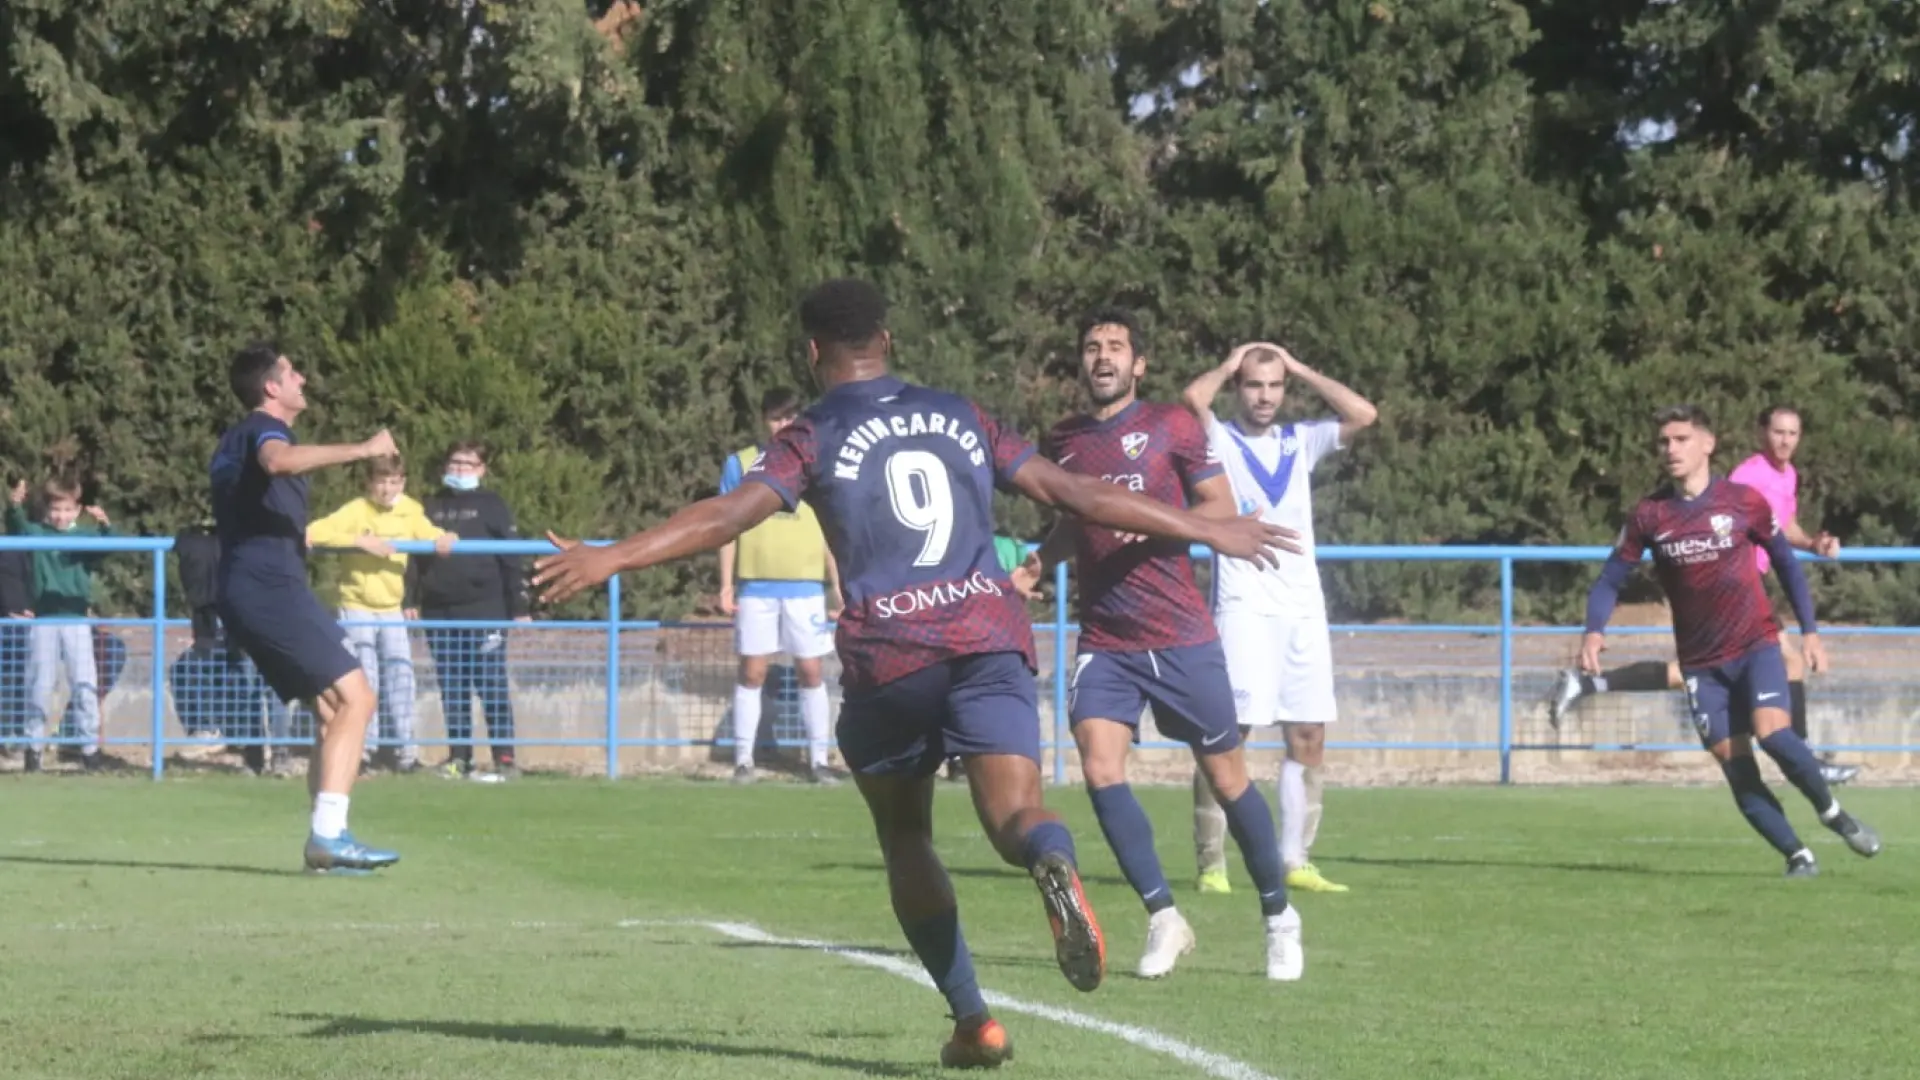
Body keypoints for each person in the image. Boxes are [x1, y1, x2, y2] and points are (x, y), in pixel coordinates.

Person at [533, 279, 1301, 1068]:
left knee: (905, 835)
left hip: (891, 655)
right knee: (1015, 815)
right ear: (887, 341)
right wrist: (1211, 529)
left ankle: (974, 1021)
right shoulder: (962, 414)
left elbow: (730, 514)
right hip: (986, 637)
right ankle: (1049, 854)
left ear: (812, 352)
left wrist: (611, 556)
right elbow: (1075, 493)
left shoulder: (812, 433)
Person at [1010, 312, 1307, 982]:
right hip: (1106, 637)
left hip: (1180, 634)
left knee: (1228, 780)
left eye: (1116, 347)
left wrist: (1147, 523)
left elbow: (1219, 510)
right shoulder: (1064, 440)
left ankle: (1278, 916)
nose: (1103, 356)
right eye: (1092, 347)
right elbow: (1075, 521)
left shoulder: (1174, 424)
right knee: (1099, 766)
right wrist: (1039, 562)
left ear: (1138, 364)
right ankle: (1164, 917)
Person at [1579, 405, 1879, 876]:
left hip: (1755, 645)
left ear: (1707, 444)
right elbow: (1611, 577)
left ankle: (1832, 813)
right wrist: (1594, 630)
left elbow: (1786, 563)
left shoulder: (1742, 501)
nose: (1671, 449)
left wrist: (1811, 632)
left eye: (1681, 439)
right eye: (1664, 441)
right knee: (1735, 765)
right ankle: (1797, 855)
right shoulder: (1649, 514)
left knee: (1774, 735)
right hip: (1701, 665)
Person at [1549, 406, 1856, 785]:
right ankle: (1806, 758)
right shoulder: (1749, 475)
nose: (1785, 441)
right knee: (1785, 663)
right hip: (1735, 588)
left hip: (1750, 586)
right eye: (1778, 432)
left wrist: (1812, 543)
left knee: (1691, 672)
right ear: (1762, 433)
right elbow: (1721, 516)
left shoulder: (1787, 474)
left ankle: (1589, 685)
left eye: (1793, 433)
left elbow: (1780, 523)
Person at [1183, 341, 1376, 897]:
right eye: (1253, 384)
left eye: (1273, 385)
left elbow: (1364, 414)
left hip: (1302, 607)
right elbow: (1192, 398)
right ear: (1239, 388)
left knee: (1309, 732)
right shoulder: (1221, 439)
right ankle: (1212, 864)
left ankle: (1296, 859)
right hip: (1244, 604)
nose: (1264, 396)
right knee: (1230, 734)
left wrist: (1300, 367)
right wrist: (1229, 362)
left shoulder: (1300, 439)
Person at [211, 342, 400, 873]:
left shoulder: (234, 440)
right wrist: (364, 449)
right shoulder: (262, 431)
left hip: (254, 586)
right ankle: (329, 835)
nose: (304, 379)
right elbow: (278, 461)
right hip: (269, 588)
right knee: (358, 699)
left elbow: (261, 507)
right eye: (293, 373)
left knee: (332, 711)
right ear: (271, 387)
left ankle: (326, 843)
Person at [718, 388, 844, 785]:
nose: (782, 425)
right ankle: (743, 760)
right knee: (752, 671)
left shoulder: (817, 461)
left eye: (789, 417)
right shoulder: (740, 464)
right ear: (763, 420)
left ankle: (818, 761)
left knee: (811, 670)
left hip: (806, 587)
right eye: (775, 418)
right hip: (756, 587)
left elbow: (832, 529)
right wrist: (725, 584)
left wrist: (837, 584)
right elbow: (725, 526)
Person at [308, 455, 456, 774]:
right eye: (381, 481)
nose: (387, 489)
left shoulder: (410, 510)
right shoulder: (356, 510)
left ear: (402, 483)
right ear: (369, 483)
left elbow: (430, 533)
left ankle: (407, 753)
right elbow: (314, 532)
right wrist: (357, 541)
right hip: (356, 605)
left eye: (394, 482)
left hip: (391, 608)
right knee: (364, 678)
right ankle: (363, 752)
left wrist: (446, 538)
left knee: (402, 675)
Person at [411, 441, 527, 780]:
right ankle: (459, 758)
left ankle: (504, 758)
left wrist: (519, 605)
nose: (460, 469)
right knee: (452, 685)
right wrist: (410, 600)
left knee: (490, 681)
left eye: (468, 464)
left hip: (485, 608)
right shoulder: (429, 505)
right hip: (439, 610)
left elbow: (511, 555)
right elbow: (414, 558)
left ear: (481, 469)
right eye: (455, 463)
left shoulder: (493, 505)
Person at [6, 476, 127, 772]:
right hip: (44, 620)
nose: (61, 516)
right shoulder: (38, 533)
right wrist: (14, 505)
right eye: (56, 510)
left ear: (78, 510)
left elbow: (111, 546)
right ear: (47, 509)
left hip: (76, 619)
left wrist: (106, 525)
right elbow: (17, 526)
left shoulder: (85, 536)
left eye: (67, 510)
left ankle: (89, 751)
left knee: (84, 683)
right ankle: (33, 750)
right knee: (40, 684)